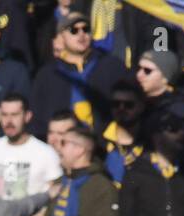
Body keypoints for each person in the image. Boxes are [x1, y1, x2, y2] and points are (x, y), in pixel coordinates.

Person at [30, 9, 130, 139]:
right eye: (73, 30)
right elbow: (38, 120)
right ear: (60, 37)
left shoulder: (112, 65)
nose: (81, 34)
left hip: (107, 146)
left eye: (86, 29)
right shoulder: (48, 74)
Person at [38, 124, 118, 216]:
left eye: (63, 143)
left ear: (80, 149)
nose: (58, 148)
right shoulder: (61, 183)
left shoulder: (101, 186)